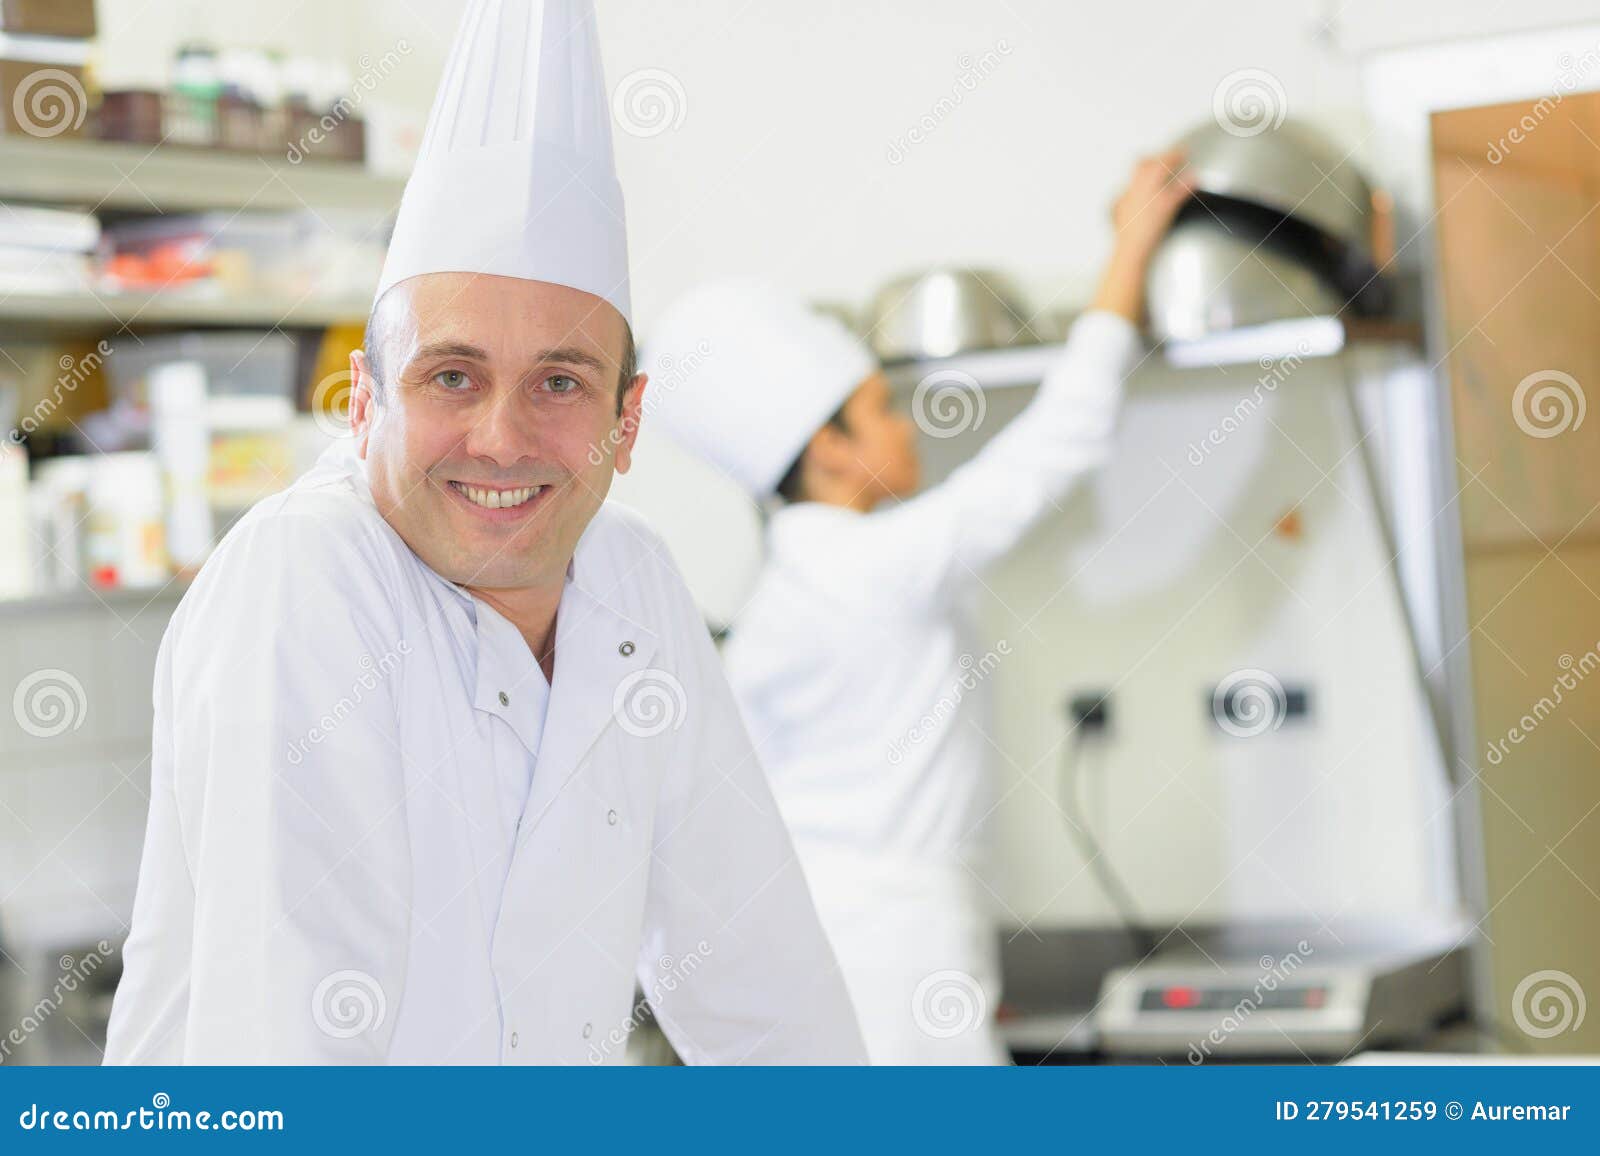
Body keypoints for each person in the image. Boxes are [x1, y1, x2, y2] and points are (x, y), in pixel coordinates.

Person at [103, 0, 862, 1065]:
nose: (502, 439)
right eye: (451, 375)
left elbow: (763, 983)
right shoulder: (305, 577)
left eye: (560, 381)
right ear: (364, 402)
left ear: (625, 421)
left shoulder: (631, 581)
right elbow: (297, 1046)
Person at [642, 154, 1191, 1063]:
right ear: (827, 449)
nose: (906, 428)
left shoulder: (776, 606)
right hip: (899, 951)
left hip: (806, 942)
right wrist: (1132, 245)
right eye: (880, 409)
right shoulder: (877, 566)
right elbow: (1065, 436)